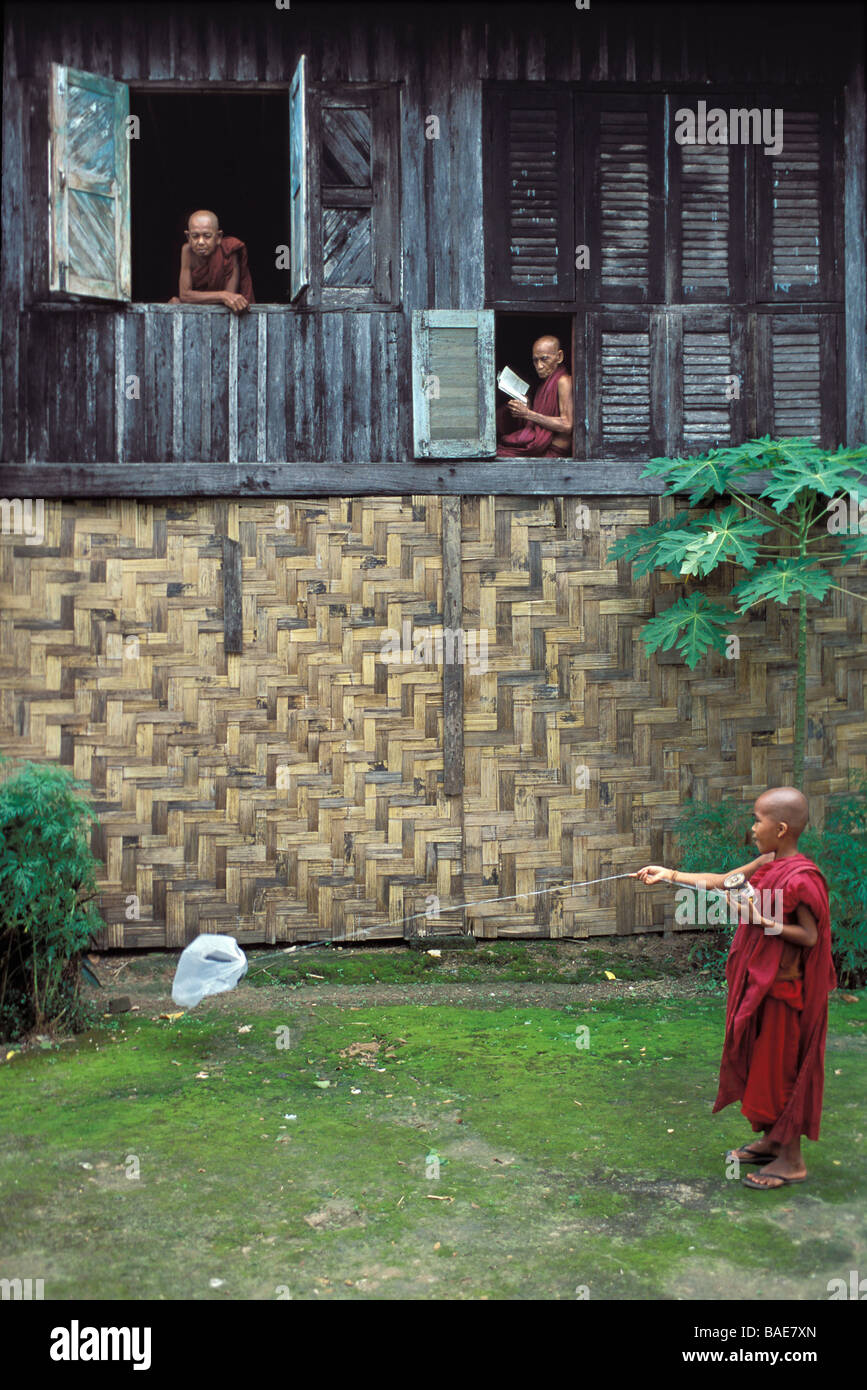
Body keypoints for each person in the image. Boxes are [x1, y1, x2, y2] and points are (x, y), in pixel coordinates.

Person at [634, 787, 836, 1190]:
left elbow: (810, 937)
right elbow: (724, 883)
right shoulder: (768, 860)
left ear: (780, 828)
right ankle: (771, 1141)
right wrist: (669, 874)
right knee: (761, 1063)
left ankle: (791, 1159)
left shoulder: (802, 876)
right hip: (761, 987)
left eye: (757, 820)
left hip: (785, 993)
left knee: (780, 1069)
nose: (752, 827)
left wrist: (761, 920)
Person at [496, 335, 573, 458]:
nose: (539, 366)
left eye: (544, 359)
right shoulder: (542, 386)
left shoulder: (564, 381)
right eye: (535, 360)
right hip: (541, 447)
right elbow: (539, 419)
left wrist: (528, 414)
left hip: (552, 452)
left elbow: (567, 425)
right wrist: (527, 406)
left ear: (559, 357)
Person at [168, 210, 254, 313]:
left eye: (207, 236)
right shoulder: (187, 251)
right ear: (188, 237)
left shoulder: (229, 251)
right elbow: (185, 295)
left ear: (218, 237)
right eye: (195, 236)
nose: (200, 242)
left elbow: (231, 298)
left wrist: (224, 296)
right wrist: (222, 295)